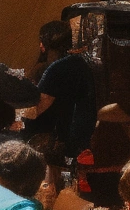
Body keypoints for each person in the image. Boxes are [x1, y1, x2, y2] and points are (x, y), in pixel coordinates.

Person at [29, 19, 96, 157]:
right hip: (82, 138)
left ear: (44, 45)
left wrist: (12, 113)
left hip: (63, 141)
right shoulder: (81, 63)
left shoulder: (58, 68)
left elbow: (36, 109)